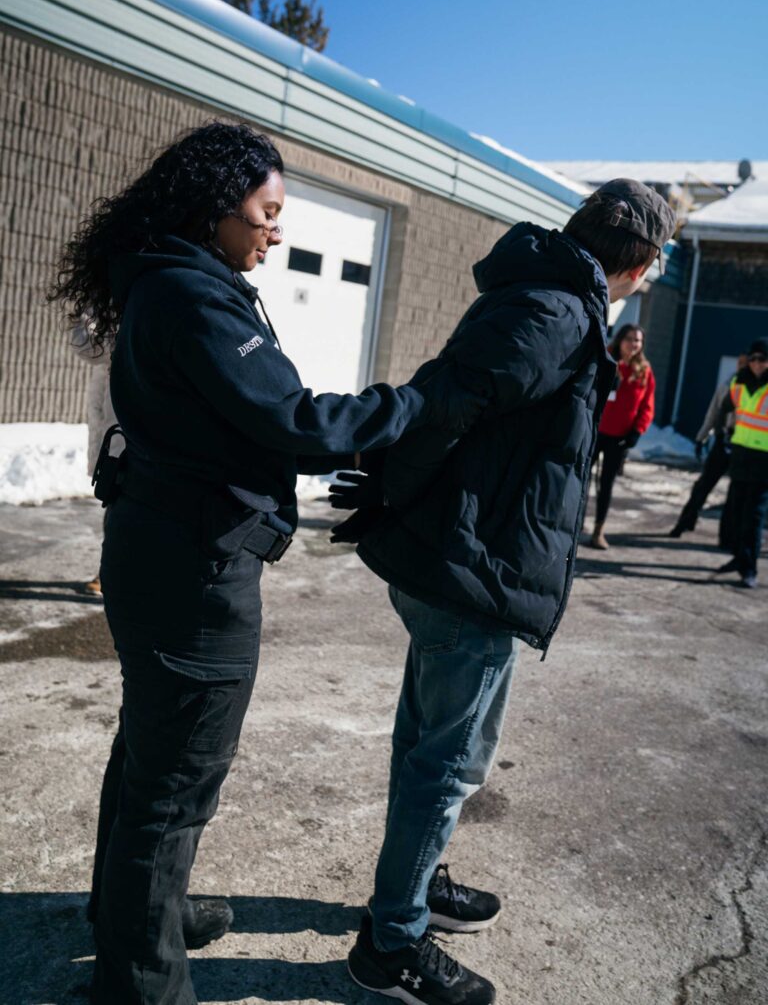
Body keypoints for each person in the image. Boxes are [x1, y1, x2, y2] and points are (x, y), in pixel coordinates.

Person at [48, 122, 483, 1005]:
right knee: (174, 786)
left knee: (150, 751)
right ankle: (141, 982)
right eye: (266, 212)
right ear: (217, 210)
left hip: (163, 554)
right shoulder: (191, 297)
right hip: (193, 575)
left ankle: (134, 909)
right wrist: (410, 404)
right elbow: (296, 422)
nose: (276, 231)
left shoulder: (175, 281)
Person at [329, 179, 676, 1005]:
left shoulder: (551, 298)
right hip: (473, 570)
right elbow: (449, 402)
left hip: (463, 561)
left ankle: (413, 885)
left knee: (432, 750)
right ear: (642, 259)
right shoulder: (558, 313)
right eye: (657, 260)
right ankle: (394, 941)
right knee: (446, 761)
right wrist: (390, 486)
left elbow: (466, 405)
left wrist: (395, 491)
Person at [589, 323, 655, 549]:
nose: (633, 344)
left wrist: (637, 431)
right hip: (595, 431)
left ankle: (599, 530)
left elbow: (647, 406)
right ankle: (573, 524)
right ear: (620, 340)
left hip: (619, 437)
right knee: (581, 479)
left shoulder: (644, 371)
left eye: (638, 340)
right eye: (629, 339)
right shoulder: (607, 360)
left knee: (606, 484)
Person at [668, 355, 746, 546]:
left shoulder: (759, 390)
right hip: (722, 441)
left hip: (742, 445)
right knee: (703, 485)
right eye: (741, 363)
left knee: (735, 494)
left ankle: (727, 536)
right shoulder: (728, 385)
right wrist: (701, 437)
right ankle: (685, 521)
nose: (743, 366)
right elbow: (713, 412)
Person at [711, 338, 768, 588]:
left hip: (764, 461)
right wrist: (724, 435)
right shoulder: (739, 383)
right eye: (754, 358)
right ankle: (738, 558)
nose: (757, 363)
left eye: (762, 359)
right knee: (736, 512)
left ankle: (749, 569)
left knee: (754, 517)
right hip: (741, 456)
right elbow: (725, 410)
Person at [71, 318, 118, 596]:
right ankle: (109, 570)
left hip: (134, 432)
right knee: (113, 502)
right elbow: (89, 347)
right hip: (110, 430)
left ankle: (112, 571)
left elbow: (93, 347)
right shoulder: (111, 298)